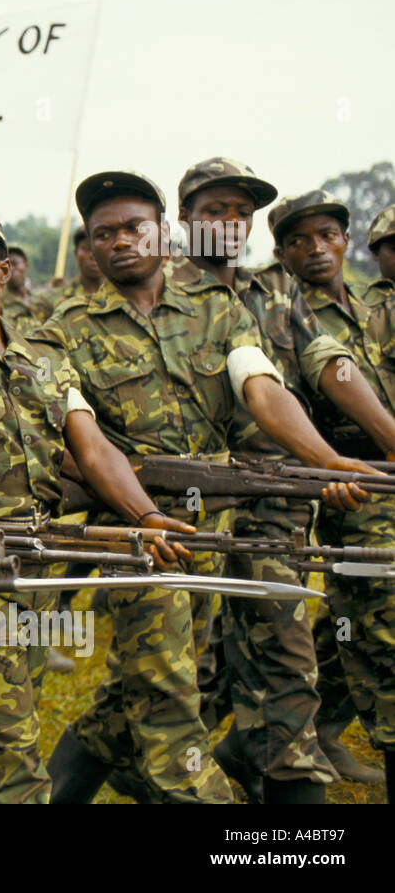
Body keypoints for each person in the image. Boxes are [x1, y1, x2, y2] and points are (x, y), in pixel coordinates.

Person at [34, 170, 371, 804]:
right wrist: (142, 516)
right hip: (143, 537)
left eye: (134, 227)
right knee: (167, 703)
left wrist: (329, 465)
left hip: (221, 522)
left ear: (162, 232)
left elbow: (261, 389)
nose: (121, 242)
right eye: (103, 233)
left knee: (159, 682)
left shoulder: (218, 307)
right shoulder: (61, 330)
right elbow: (85, 437)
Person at [0, 203, 193, 804]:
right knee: (11, 750)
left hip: (37, 561)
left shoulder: (43, 357)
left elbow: (93, 448)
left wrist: (146, 516)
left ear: (3, 272)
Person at [173, 159, 395, 800]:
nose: (227, 222)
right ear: (185, 218)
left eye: (239, 211)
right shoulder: (155, 293)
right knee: (171, 680)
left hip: (275, 505)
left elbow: (328, 362)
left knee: (283, 659)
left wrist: (384, 443)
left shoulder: (274, 293)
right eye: (213, 209)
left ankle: (284, 789)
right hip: (182, 510)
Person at [270, 189, 395, 799]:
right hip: (356, 486)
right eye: (298, 240)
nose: (315, 248)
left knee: (347, 621)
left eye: (326, 235)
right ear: (282, 253)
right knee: (380, 619)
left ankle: (306, 731)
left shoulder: (381, 304)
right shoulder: (285, 314)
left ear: (347, 240)